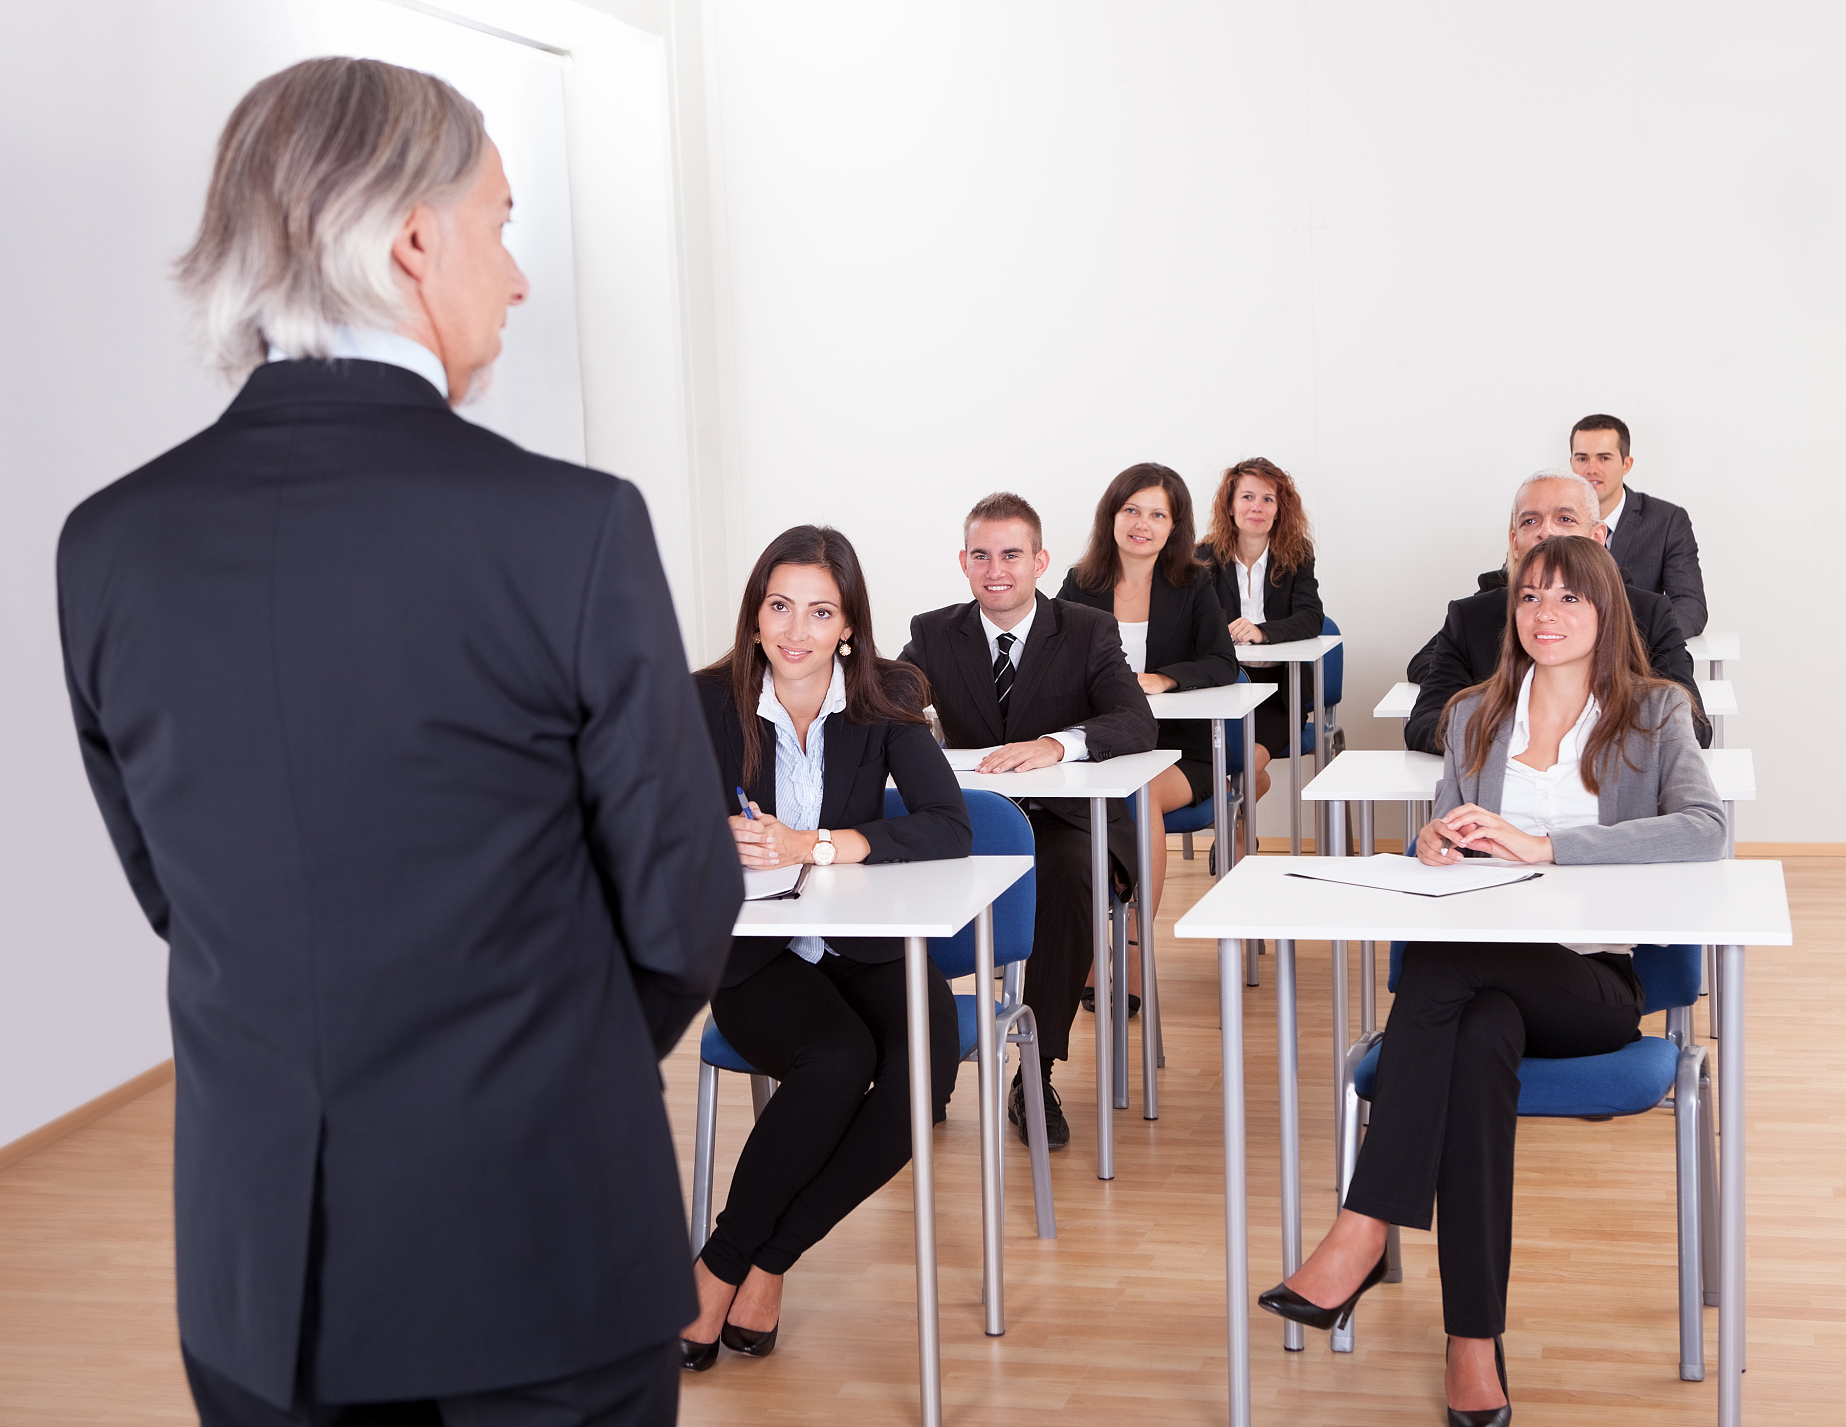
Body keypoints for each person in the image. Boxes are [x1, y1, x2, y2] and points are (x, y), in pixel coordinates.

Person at [56, 59, 741, 1427]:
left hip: (263, 1288)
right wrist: (553, 1058)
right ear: (414, 240)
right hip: (541, 1253)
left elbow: (172, 892)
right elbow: (682, 907)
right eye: (503, 221)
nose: (520, 276)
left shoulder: (107, 544)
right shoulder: (575, 528)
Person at [1260, 535, 1724, 1425]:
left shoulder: (1656, 710)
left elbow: (1705, 828)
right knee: (1473, 1039)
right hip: (1486, 991)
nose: (1544, 615)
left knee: (1442, 959)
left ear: (1605, 614)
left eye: (1567, 600)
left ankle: (1362, 1228)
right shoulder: (1477, 714)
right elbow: (1450, 833)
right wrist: (1435, 843)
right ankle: (1472, 1347)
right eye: (1530, 598)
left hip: (1593, 988)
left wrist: (1548, 847)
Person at [683, 525, 971, 1371]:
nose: (795, 630)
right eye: (779, 606)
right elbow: (642, 829)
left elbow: (950, 825)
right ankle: (724, 1268)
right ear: (756, 613)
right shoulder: (704, 700)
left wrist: (817, 842)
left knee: (925, 1072)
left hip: (866, 943)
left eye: (819, 611)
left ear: (849, 624)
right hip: (756, 956)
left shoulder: (886, 694)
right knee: (837, 1057)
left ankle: (752, 1260)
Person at [899, 493, 1159, 1151]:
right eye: (981, 555)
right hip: (972, 824)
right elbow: (890, 700)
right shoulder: (933, 633)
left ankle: (1033, 1071)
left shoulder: (1087, 629)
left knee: (1067, 875)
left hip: (1062, 819)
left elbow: (1136, 720)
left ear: (1039, 560)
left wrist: (1059, 743)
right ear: (963, 561)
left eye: (1011, 554)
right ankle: (929, 1058)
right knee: (900, 872)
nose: (996, 569)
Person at [1057, 462, 1237, 991]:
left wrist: (1162, 679)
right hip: (1105, 745)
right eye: (1131, 509)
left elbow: (1223, 663)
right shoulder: (1079, 583)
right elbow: (1058, 665)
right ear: (1111, 516)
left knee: (1138, 795)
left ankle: (1135, 949)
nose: (1143, 523)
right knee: (1086, 807)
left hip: (1182, 751)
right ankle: (1090, 943)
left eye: (1158, 514)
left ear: (1174, 526)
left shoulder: (1194, 582)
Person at [1404, 470, 1709, 756]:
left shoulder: (1648, 612)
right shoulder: (1471, 617)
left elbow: (1692, 725)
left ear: (1597, 538)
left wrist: (1577, 741)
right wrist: (1523, 742)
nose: (1546, 532)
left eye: (1564, 518)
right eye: (1529, 522)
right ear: (1515, 543)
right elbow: (1425, 724)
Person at [1194, 455, 1323, 783]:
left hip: (1279, 692)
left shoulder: (1297, 555)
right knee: (1238, 774)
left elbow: (1311, 618)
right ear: (1230, 505)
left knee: (1241, 769)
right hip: (1221, 688)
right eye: (1248, 497)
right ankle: (1239, 835)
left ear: (1280, 509)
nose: (1257, 507)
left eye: (1268, 499)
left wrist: (1261, 632)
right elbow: (1190, 622)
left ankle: (1233, 834)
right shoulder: (1203, 557)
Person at [1570, 413, 1708, 638]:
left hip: (1640, 656)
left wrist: (1639, 642)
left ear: (1626, 464)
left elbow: (1690, 605)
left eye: (1604, 458)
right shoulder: (1550, 520)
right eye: (1582, 458)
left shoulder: (1667, 520)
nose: (1591, 469)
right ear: (1572, 463)